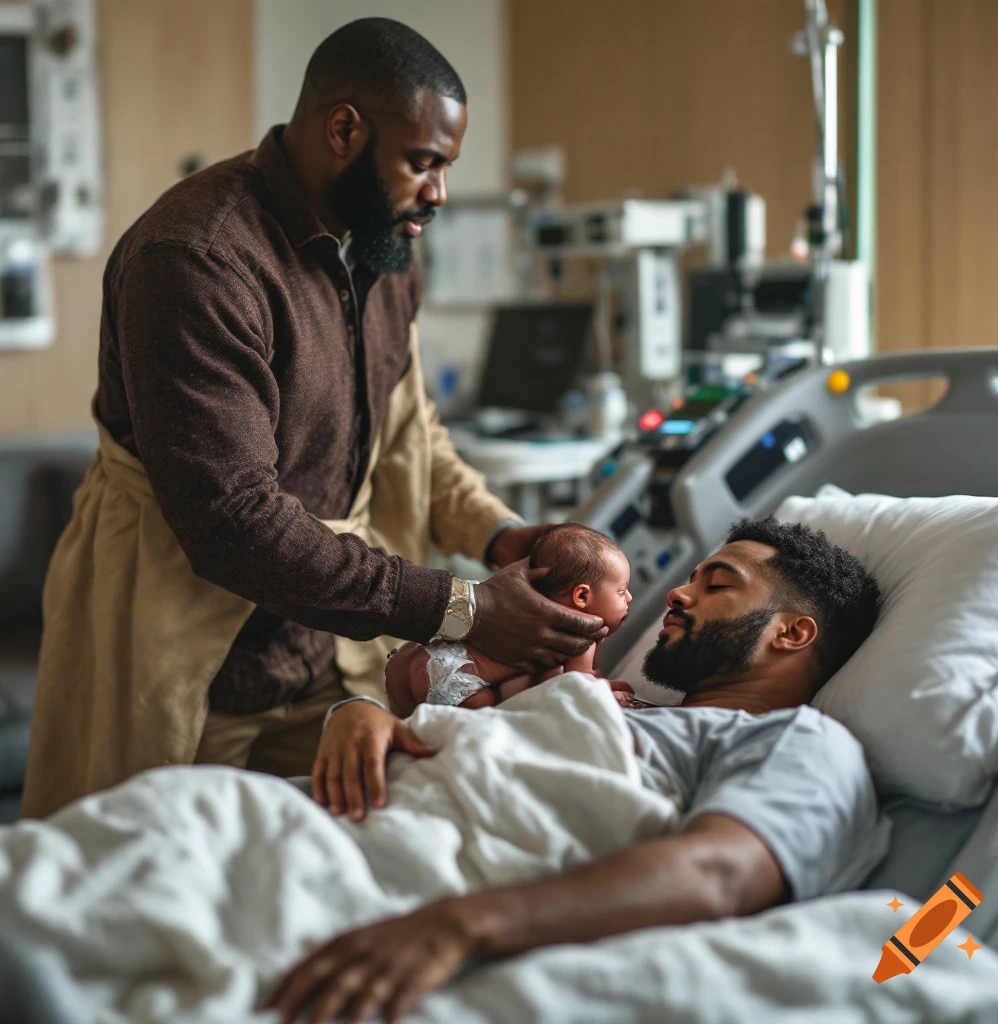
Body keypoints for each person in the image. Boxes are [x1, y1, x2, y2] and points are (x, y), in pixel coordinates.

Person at [21, 18, 607, 820]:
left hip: (332, 653)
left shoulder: (384, 249)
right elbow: (234, 524)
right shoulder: (197, 260)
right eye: (424, 162)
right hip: (188, 643)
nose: (438, 194)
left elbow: (413, 442)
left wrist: (507, 540)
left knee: (354, 857)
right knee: (150, 886)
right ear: (344, 129)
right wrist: (466, 608)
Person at [268, 517, 884, 1024]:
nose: (676, 593)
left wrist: (457, 927)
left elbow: (718, 875)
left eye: (717, 585)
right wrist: (361, 716)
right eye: (691, 578)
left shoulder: (798, 742)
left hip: (402, 889)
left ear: (794, 632)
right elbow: (464, 730)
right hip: (318, 821)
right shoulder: (604, 700)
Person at [385, 523, 634, 714]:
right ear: (581, 596)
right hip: (460, 681)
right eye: (621, 592)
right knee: (494, 721)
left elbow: (544, 683)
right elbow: (577, 687)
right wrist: (603, 693)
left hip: (411, 657)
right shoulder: (574, 631)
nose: (630, 598)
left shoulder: (512, 598)